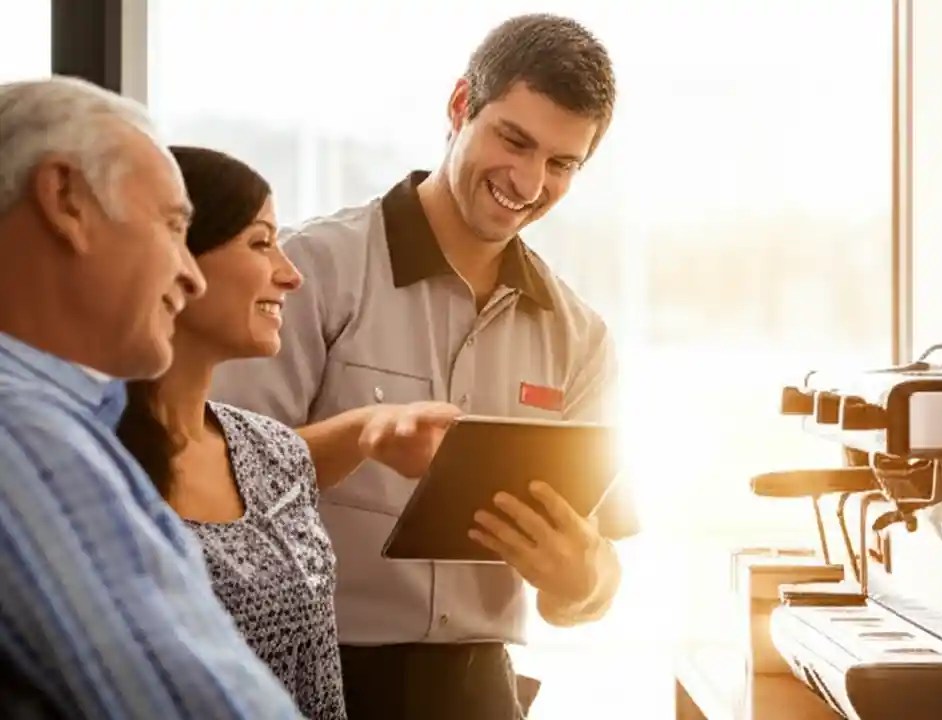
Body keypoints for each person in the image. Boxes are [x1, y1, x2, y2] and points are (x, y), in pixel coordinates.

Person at [211, 13, 641, 719]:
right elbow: (218, 490)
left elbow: (596, 588)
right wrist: (364, 433)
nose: (529, 181)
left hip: (478, 693)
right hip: (307, 679)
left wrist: (579, 578)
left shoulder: (581, 337)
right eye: (514, 139)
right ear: (459, 106)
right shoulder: (311, 273)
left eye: (562, 164)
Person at [114, 145, 461, 720]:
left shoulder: (275, 456)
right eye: (259, 242)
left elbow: (319, 692)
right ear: (175, 259)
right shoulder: (76, 460)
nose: (290, 272)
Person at [0, 77, 303, 718]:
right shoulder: (25, 433)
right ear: (66, 200)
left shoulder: (64, 424)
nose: (188, 274)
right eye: (172, 227)